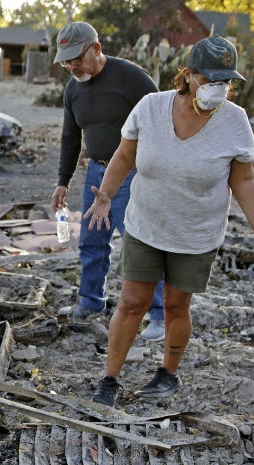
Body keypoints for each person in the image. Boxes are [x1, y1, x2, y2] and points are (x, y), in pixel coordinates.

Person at [84, 35, 254, 405]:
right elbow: (123, 156)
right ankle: (109, 379)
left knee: (177, 305)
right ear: (187, 75)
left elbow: (244, 178)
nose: (217, 89)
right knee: (132, 302)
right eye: (209, 79)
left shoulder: (234, 120)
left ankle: (168, 374)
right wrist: (105, 195)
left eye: (225, 82)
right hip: (146, 224)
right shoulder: (150, 107)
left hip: (196, 233)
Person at [50, 21, 165, 341]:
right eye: (66, 61)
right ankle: (90, 301)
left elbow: (162, 121)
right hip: (96, 174)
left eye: (77, 58)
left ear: (96, 49)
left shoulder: (130, 78)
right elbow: (70, 139)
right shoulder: (72, 90)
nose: (72, 67)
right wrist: (63, 181)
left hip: (134, 173)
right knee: (92, 238)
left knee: (141, 244)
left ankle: (159, 314)